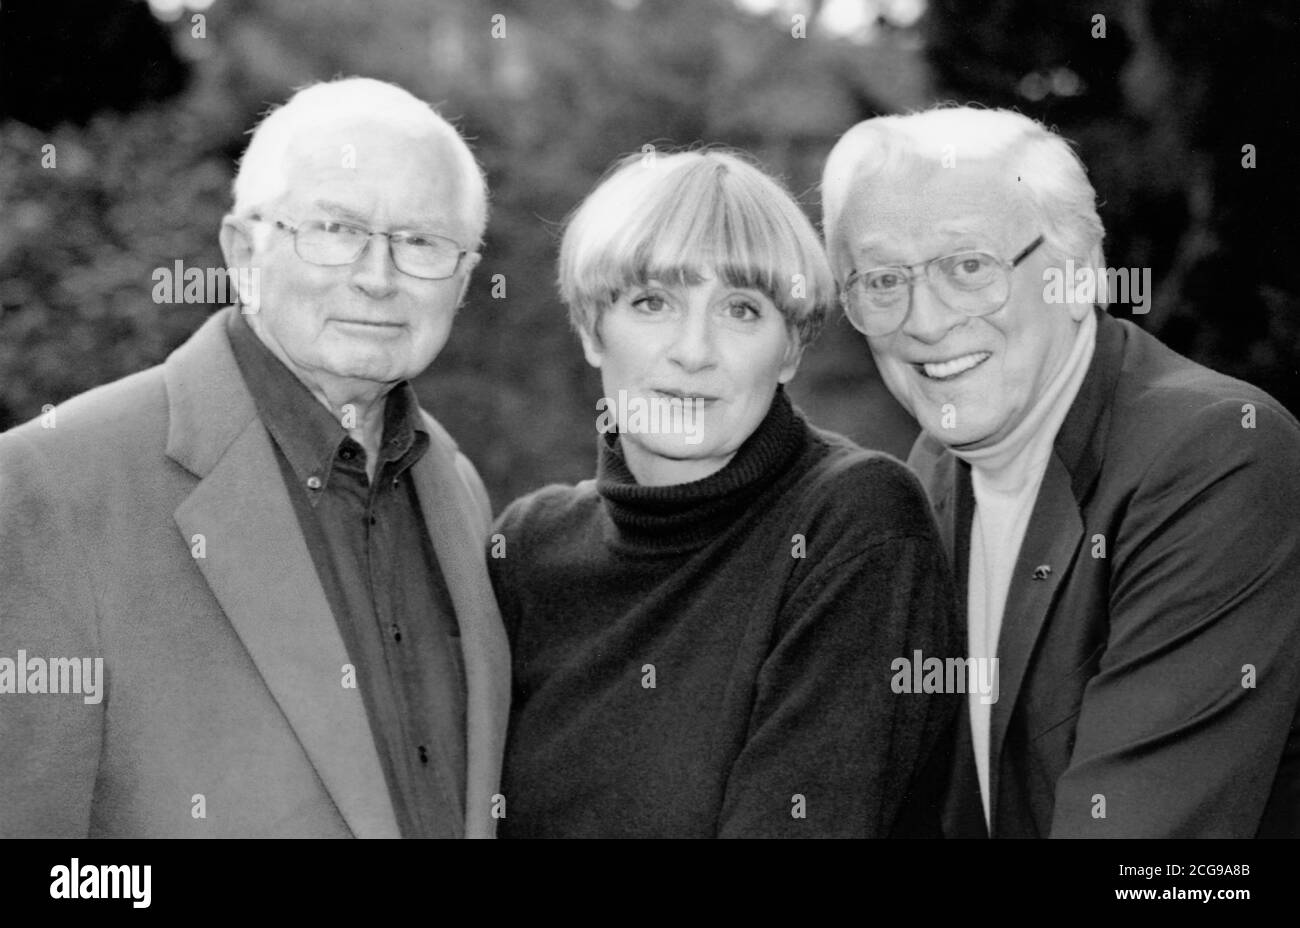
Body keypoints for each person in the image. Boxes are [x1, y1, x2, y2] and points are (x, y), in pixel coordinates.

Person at [0, 77, 509, 838]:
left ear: (464, 280)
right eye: (336, 229)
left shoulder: (457, 490)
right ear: (243, 250)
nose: (377, 276)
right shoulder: (50, 488)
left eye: (421, 242)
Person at [821, 105, 1300, 837]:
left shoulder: (1217, 455)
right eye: (882, 280)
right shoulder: (932, 474)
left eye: (969, 266)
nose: (922, 321)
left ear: (1077, 274)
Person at [490, 149, 959, 838]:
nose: (694, 350)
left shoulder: (855, 522)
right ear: (593, 330)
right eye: (653, 302)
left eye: (741, 309)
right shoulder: (529, 548)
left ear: (791, 350)